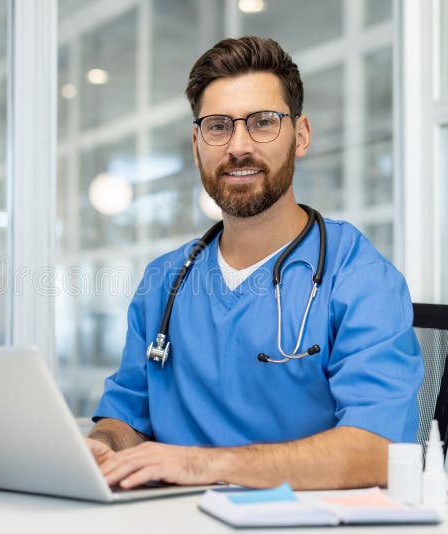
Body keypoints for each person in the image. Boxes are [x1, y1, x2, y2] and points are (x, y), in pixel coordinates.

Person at [85, 36, 424, 491]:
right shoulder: (165, 280)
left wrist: (202, 465)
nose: (238, 146)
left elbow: (380, 451)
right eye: (218, 126)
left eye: (263, 122)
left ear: (300, 135)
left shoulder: (358, 275)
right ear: (196, 142)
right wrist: (102, 445)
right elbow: (128, 414)